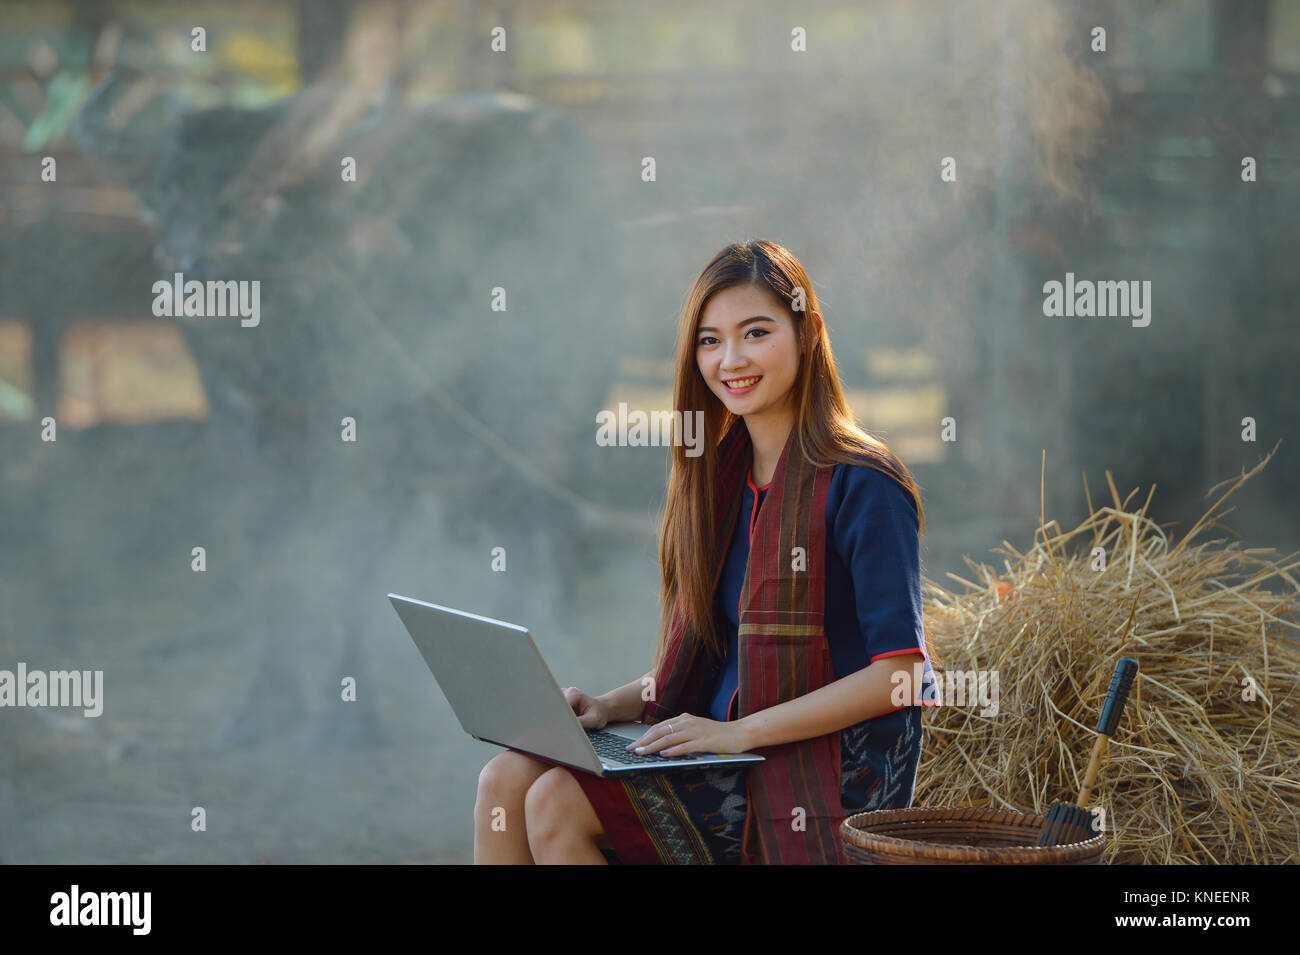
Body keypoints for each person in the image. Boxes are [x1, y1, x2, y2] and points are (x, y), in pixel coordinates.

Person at [474, 239, 939, 864]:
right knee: (504, 782)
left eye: (755, 332)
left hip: (825, 769)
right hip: (723, 750)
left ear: (807, 334)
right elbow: (714, 663)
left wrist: (736, 733)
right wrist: (611, 704)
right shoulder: (718, 479)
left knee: (555, 801)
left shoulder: (864, 483)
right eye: (710, 340)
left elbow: (902, 676)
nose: (731, 359)